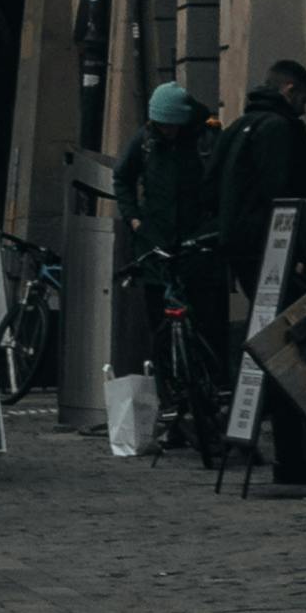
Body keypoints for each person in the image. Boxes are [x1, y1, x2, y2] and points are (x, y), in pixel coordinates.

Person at [215, 59, 306, 486]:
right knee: (287, 352)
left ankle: (253, 442)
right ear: (288, 90)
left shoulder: (238, 129)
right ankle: (292, 457)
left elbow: (213, 185)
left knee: (267, 346)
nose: (304, 107)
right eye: (303, 98)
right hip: (276, 255)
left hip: (244, 255)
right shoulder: (282, 131)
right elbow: (288, 194)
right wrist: (301, 254)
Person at [123, 78, 227, 434]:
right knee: (161, 329)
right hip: (155, 245)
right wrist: (134, 217)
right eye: (160, 124)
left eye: (170, 124)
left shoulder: (207, 140)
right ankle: (171, 407)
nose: (165, 130)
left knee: (208, 323)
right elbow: (123, 177)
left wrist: (214, 228)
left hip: (198, 246)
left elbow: (226, 185)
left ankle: (212, 401)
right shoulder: (146, 140)